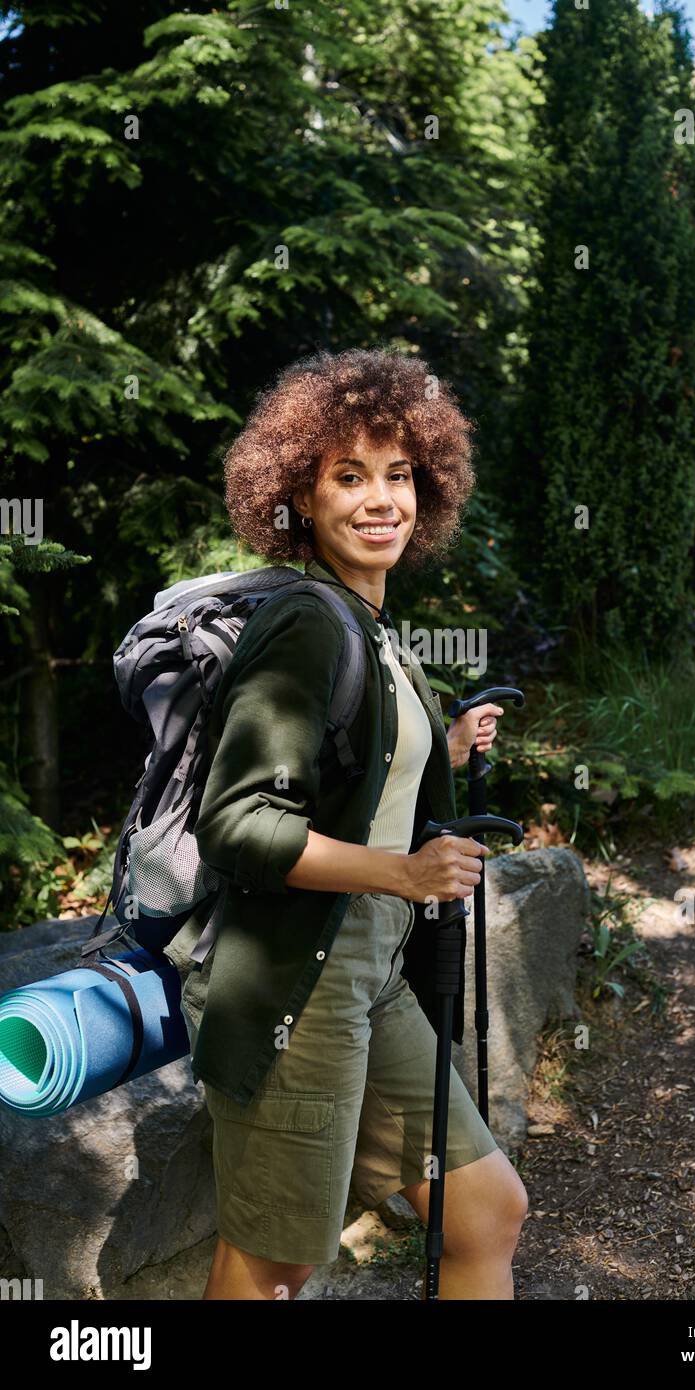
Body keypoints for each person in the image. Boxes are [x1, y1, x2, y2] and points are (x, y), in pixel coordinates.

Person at [186, 346, 528, 1300]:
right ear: (298, 497)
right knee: (275, 1266)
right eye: (348, 477)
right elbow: (239, 824)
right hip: (302, 978)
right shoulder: (306, 620)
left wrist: (443, 751)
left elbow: (356, 779)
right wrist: (409, 876)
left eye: (399, 475)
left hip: (369, 970)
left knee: (487, 1209)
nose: (381, 499)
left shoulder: (367, 626)